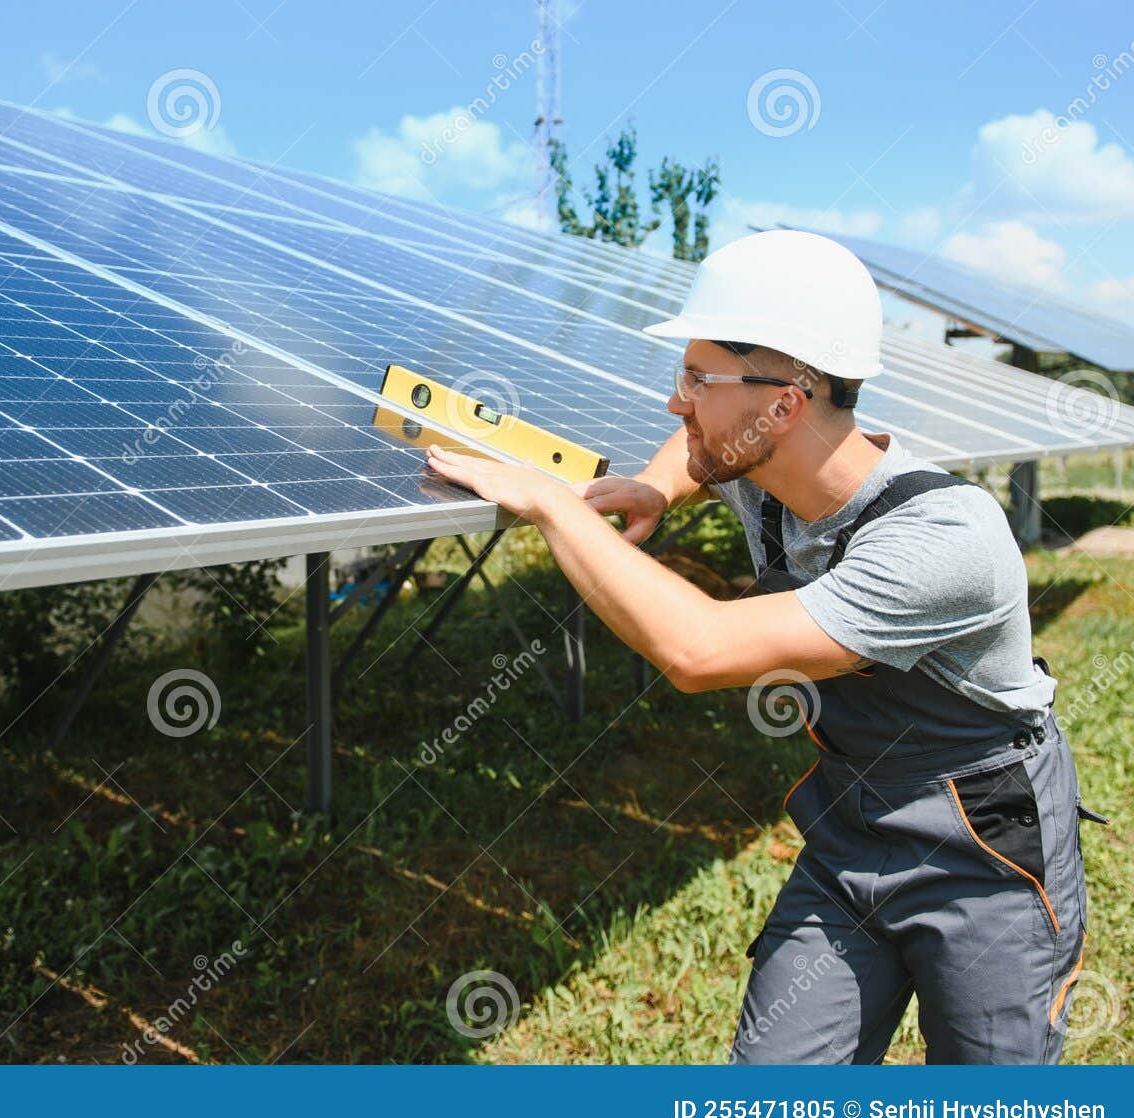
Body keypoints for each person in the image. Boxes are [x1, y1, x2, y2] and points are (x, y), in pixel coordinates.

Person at [423, 228, 1104, 1064]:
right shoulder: (768, 466)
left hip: (985, 854)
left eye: (695, 378)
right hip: (853, 828)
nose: (677, 401)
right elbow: (695, 445)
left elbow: (698, 649)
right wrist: (657, 488)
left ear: (784, 403)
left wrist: (551, 505)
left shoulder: (942, 539)